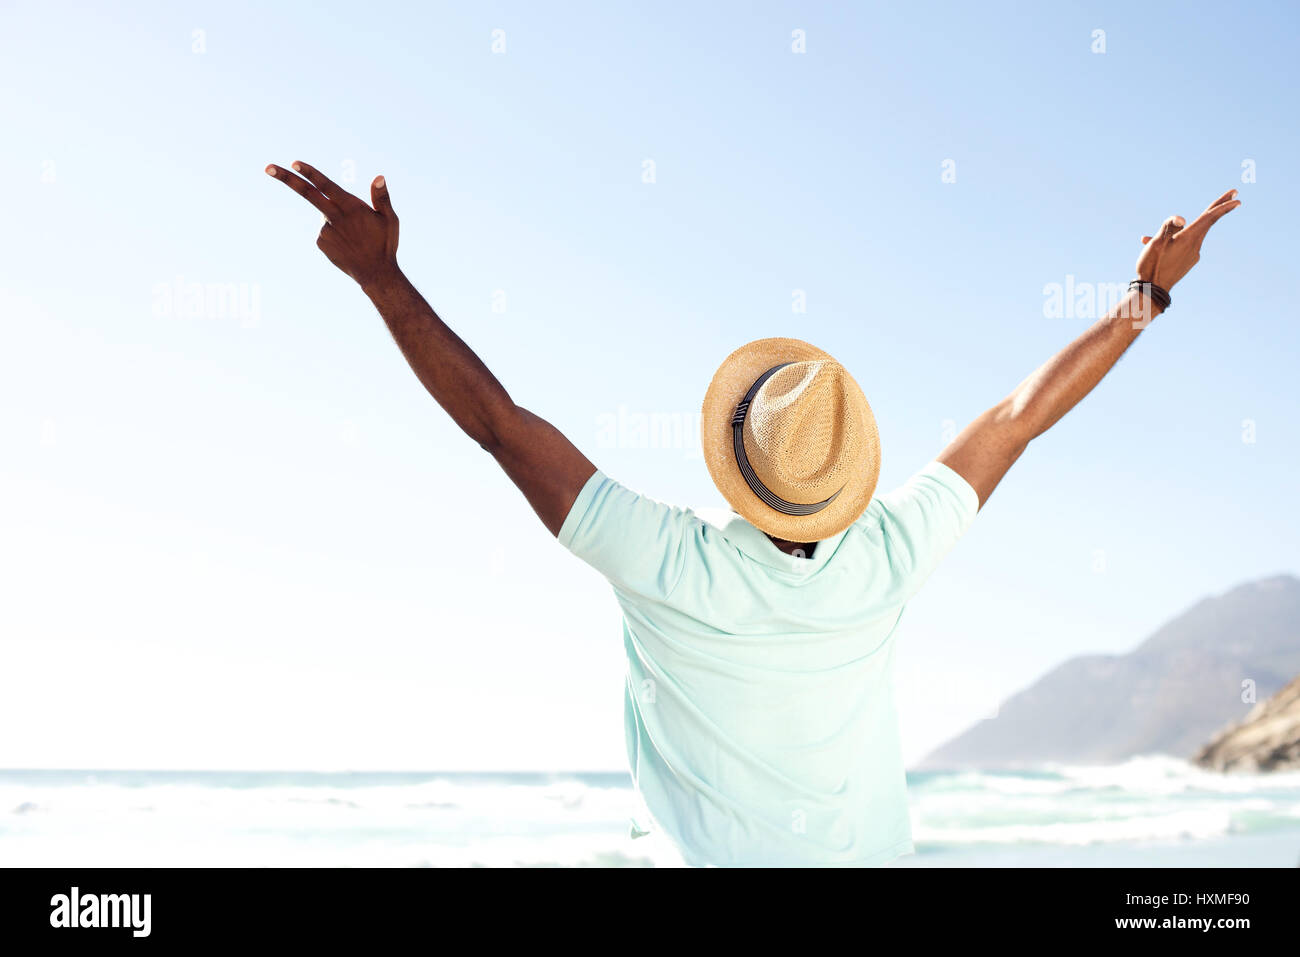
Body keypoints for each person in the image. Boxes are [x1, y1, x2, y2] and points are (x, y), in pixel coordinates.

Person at [266, 161, 1240, 866]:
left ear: (737, 458)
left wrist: (381, 279)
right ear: (843, 471)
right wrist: (1143, 295)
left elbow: (500, 426)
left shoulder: (663, 560)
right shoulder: (890, 553)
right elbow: (1018, 419)